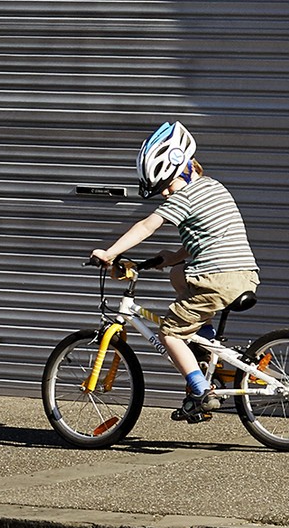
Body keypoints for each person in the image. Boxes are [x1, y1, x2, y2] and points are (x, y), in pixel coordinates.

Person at [88, 120, 261, 423]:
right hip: (243, 274)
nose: (167, 194)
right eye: (162, 190)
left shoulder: (184, 197)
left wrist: (110, 253)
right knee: (178, 274)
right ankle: (203, 341)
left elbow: (146, 226)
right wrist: (172, 257)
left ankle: (201, 392)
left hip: (216, 279)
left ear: (185, 170)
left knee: (169, 333)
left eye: (168, 185)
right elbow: (210, 239)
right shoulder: (214, 187)